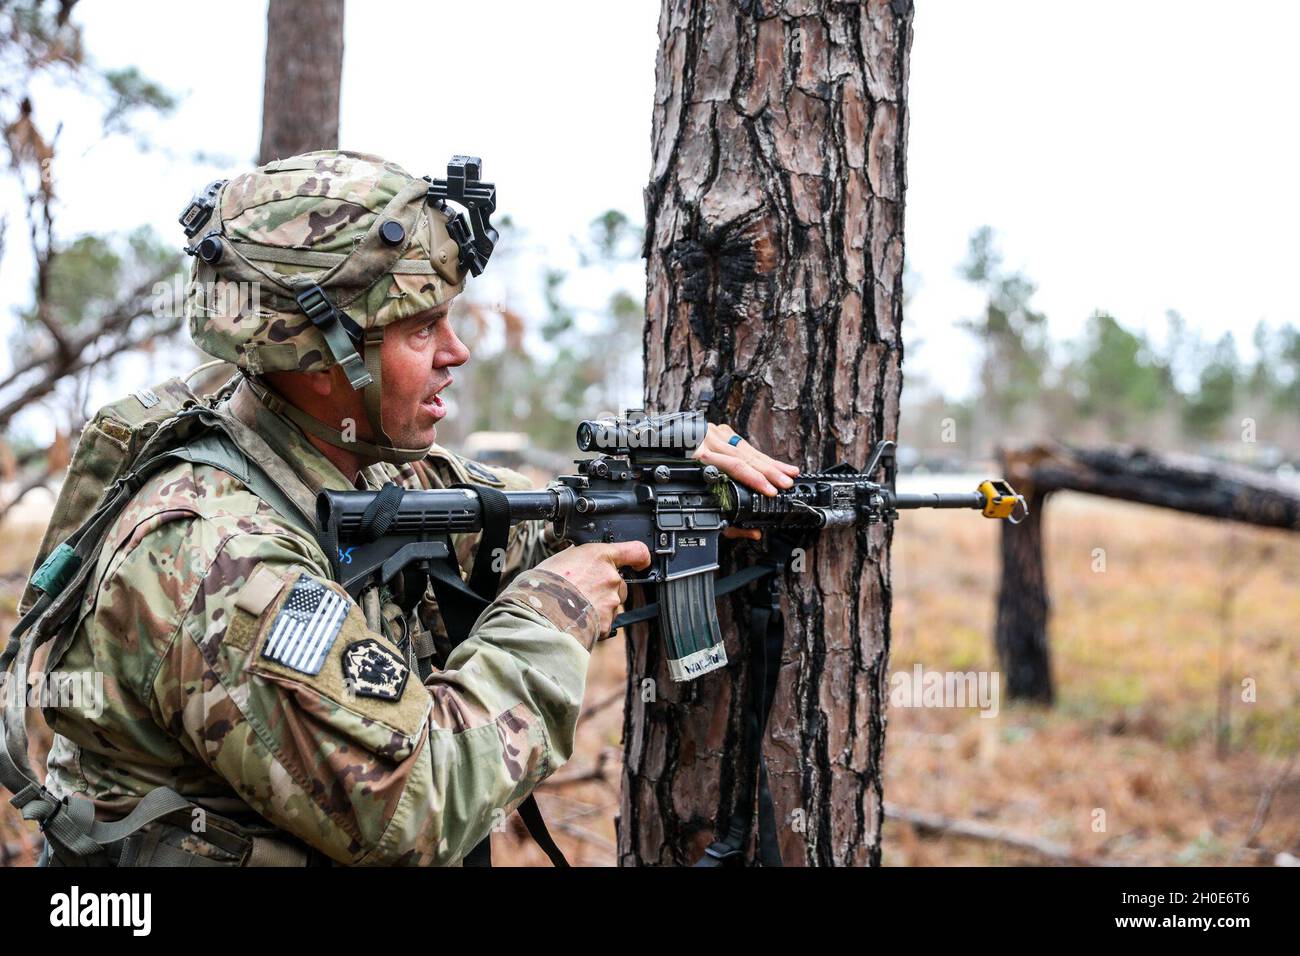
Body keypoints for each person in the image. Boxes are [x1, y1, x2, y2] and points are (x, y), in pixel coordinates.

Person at [37, 149, 800, 866]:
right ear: (321, 359)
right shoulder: (216, 560)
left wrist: (656, 487)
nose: (455, 352)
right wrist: (555, 613)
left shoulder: (327, 457)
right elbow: (411, 805)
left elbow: (504, 518)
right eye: (421, 328)